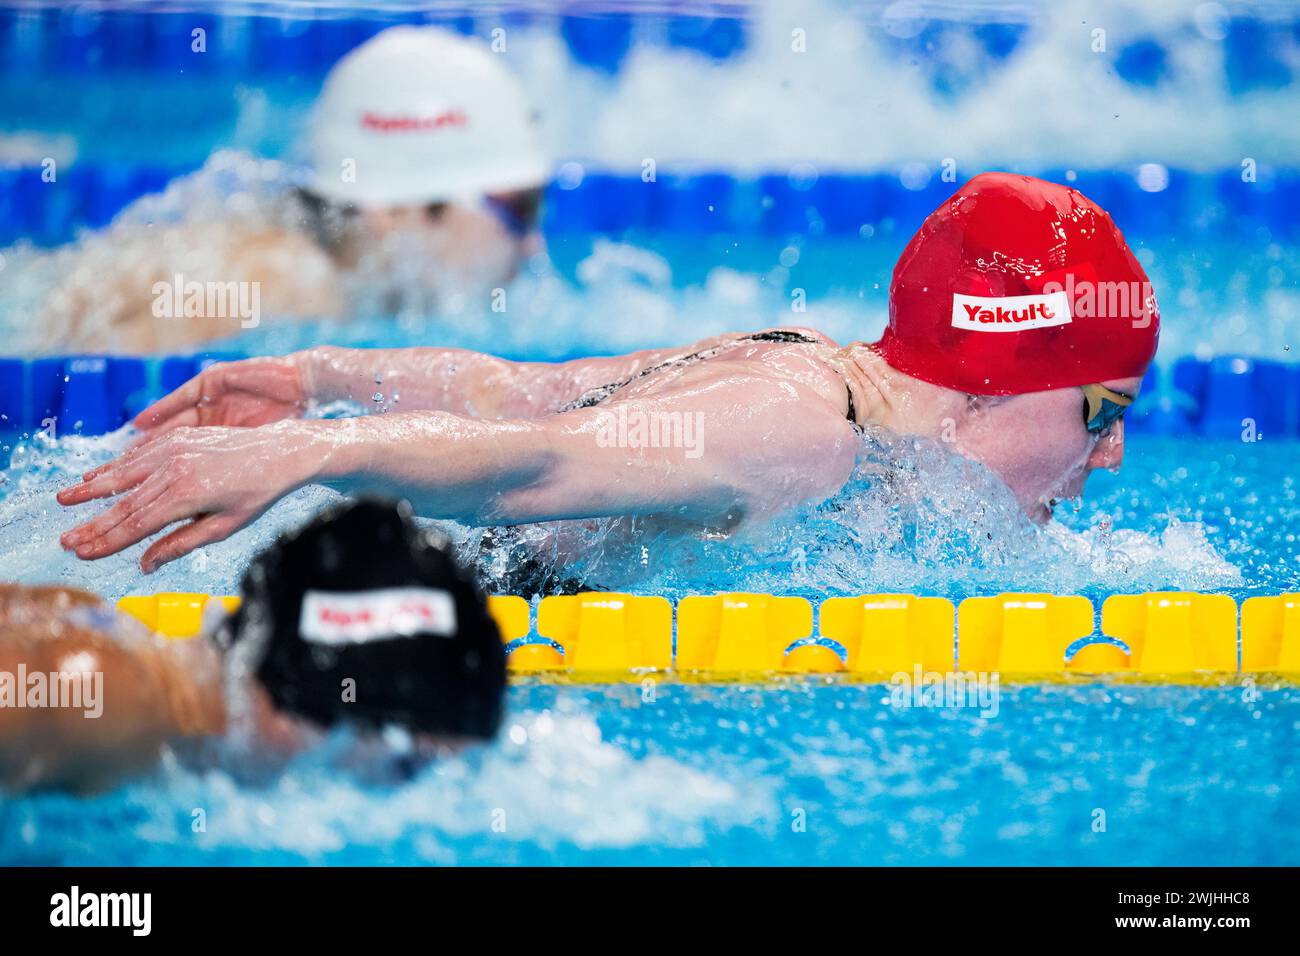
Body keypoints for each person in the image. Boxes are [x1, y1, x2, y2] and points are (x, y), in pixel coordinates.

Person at [56, 173, 1159, 574]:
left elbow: (529, 386)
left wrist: (316, 376)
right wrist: (306, 446)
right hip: (398, 589)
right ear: (995, 382)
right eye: (1104, 406)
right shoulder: (801, 432)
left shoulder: (796, 364)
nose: (1111, 449)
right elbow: (532, 461)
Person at [38, 26, 549, 352]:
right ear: (391, 210)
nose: (533, 243)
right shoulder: (281, 289)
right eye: (517, 209)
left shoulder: (330, 284)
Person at [2, 499, 506, 793]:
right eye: (407, 769)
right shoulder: (105, 701)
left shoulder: (121, 661)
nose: (401, 797)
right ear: (301, 718)